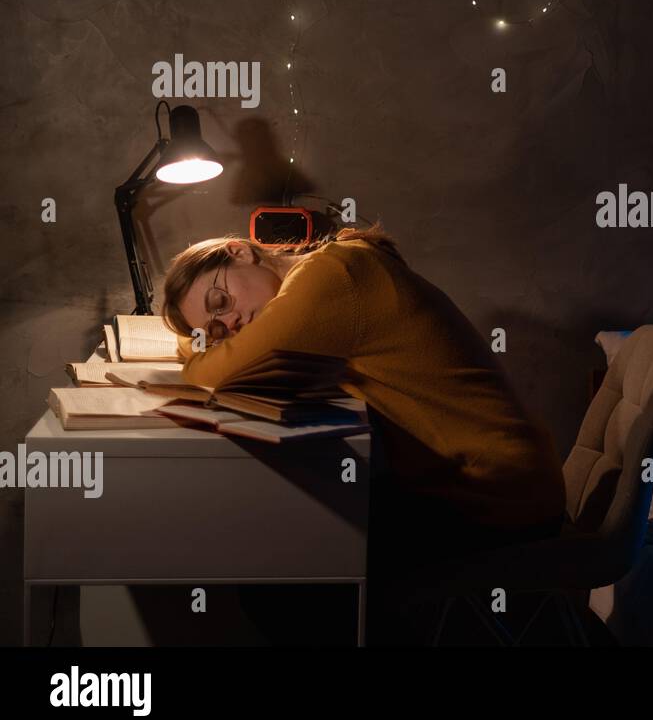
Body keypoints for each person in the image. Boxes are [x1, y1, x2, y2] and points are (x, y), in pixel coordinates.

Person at [159, 224, 567, 644]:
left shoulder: (332, 276)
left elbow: (214, 373)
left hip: (495, 498)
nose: (233, 321)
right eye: (220, 329)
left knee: (278, 579)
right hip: (487, 483)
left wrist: (199, 345)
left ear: (239, 251)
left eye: (220, 300)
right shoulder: (331, 269)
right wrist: (207, 337)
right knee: (286, 543)